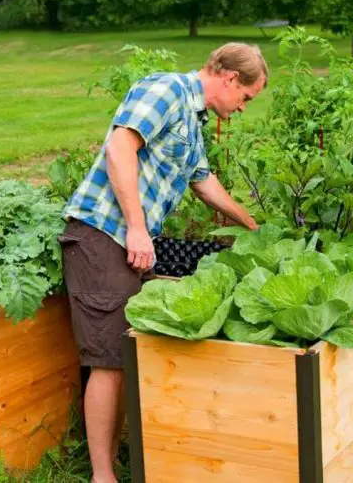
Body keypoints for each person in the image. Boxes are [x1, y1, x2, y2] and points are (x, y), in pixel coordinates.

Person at [59, 42, 269, 483]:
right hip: (102, 234)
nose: (244, 107)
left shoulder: (192, 122)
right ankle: (102, 475)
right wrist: (137, 227)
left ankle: (118, 457)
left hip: (128, 240)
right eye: (247, 97)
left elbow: (203, 180)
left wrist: (250, 225)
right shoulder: (167, 91)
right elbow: (120, 148)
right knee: (108, 358)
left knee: (124, 353)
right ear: (230, 78)